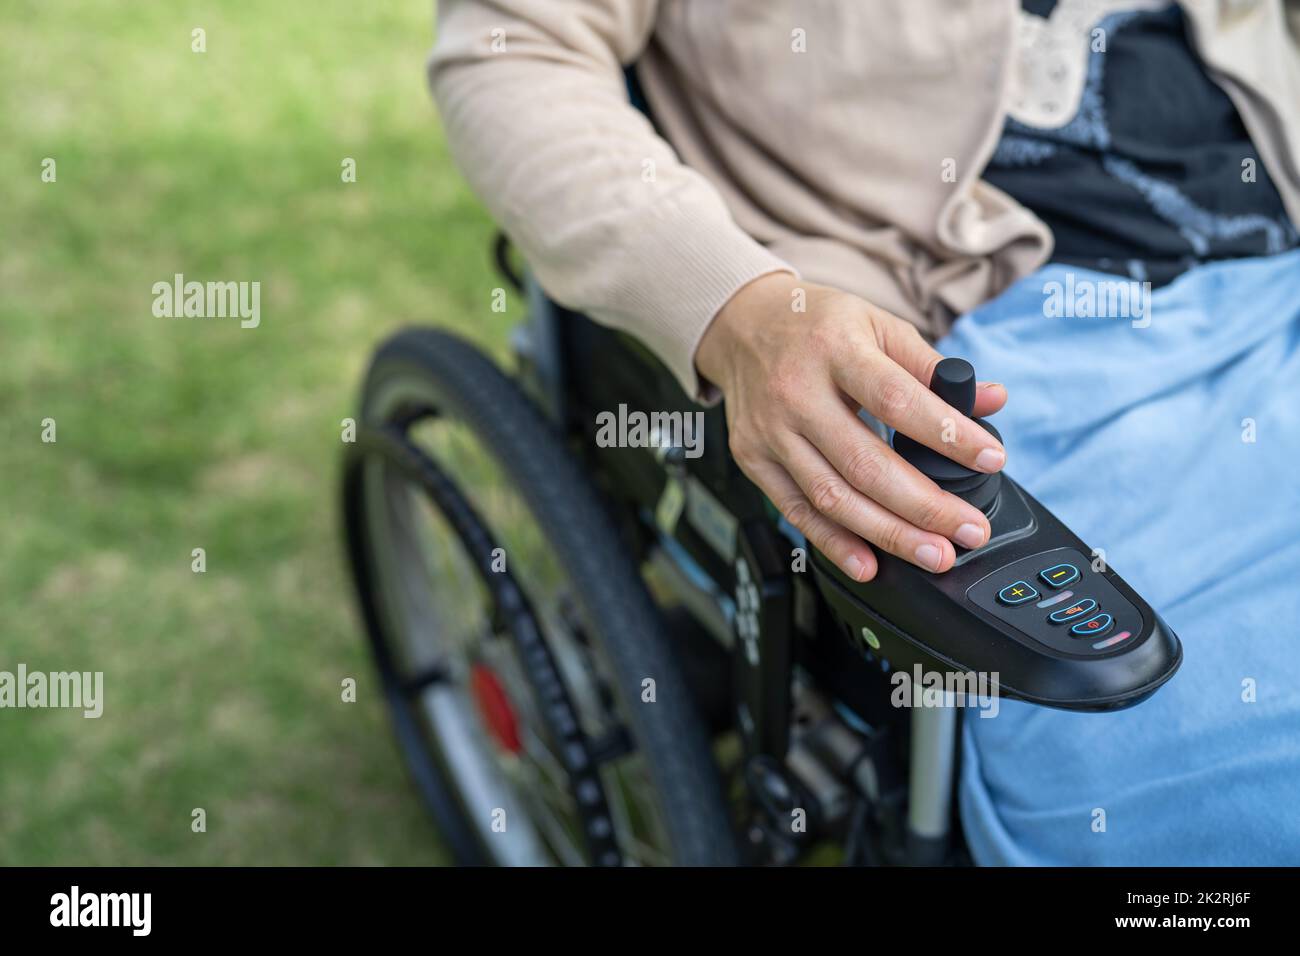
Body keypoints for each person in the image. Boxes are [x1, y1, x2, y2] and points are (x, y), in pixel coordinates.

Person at [427, 0, 1300, 864]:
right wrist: (739, 308)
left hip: (1272, 258)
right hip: (968, 332)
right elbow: (512, 48)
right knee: (1201, 784)